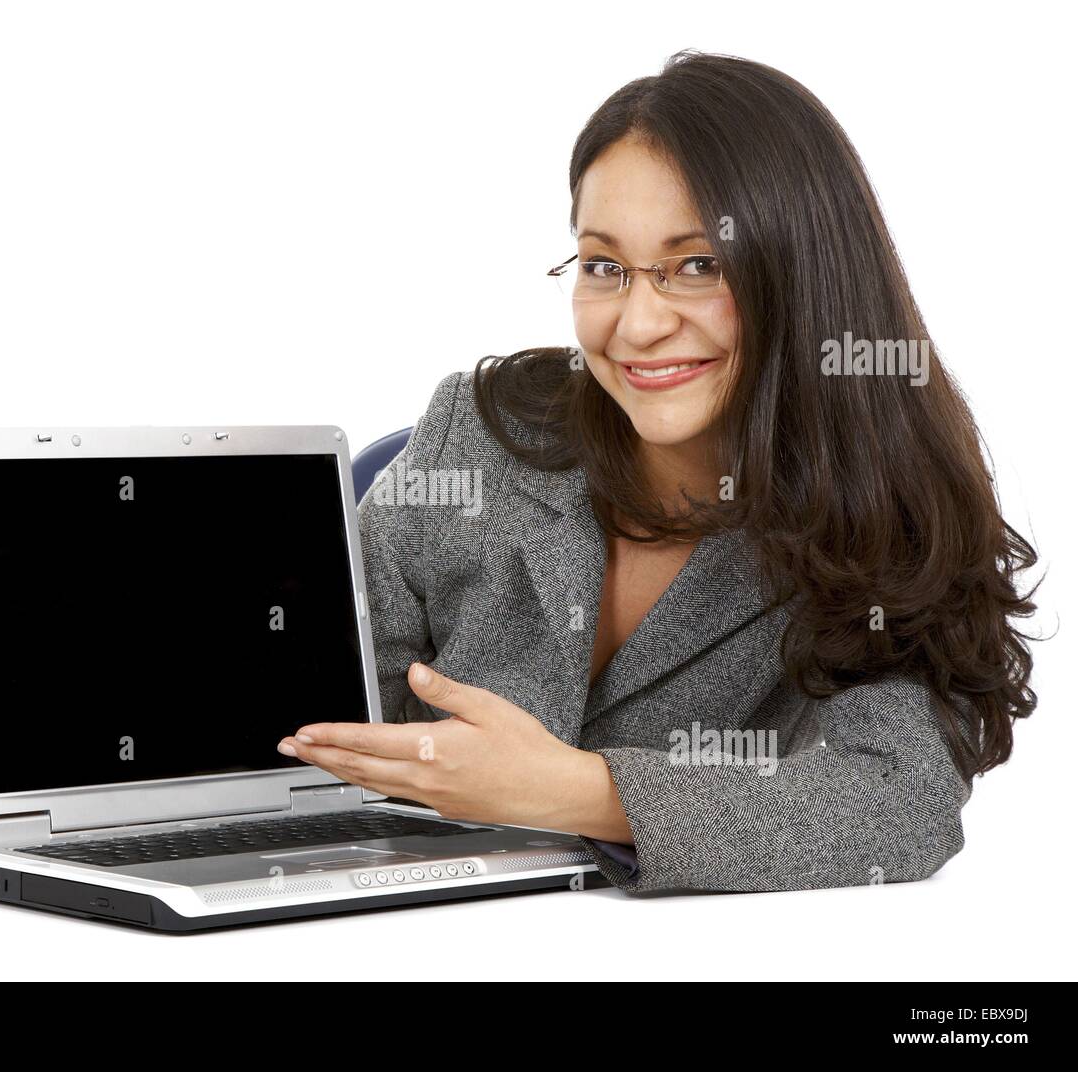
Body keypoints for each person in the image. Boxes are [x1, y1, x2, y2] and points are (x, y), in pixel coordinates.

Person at [276, 50, 1040, 893]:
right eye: (604, 265)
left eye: (698, 265)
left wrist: (579, 792)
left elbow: (898, 800)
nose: (638, 324)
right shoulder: (478, 434)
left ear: (800, 275)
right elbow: (311, 709)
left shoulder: (885, 524)